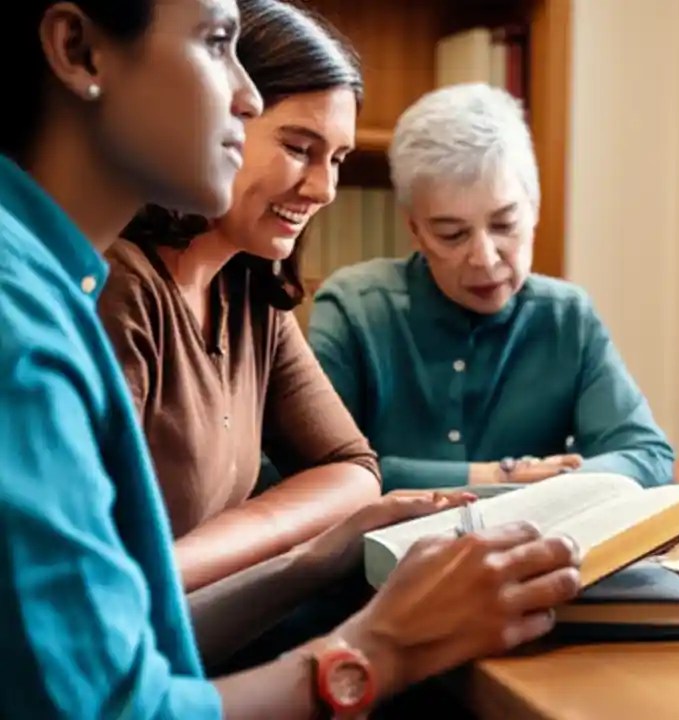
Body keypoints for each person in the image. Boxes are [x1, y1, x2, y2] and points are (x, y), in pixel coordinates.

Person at [0, 1, 579, 717]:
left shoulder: (170, 286)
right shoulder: (32, 321)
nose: (241, 99)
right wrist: (385, 647)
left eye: (336, 157)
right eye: (217, 44)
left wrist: (319, 559)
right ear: (79, 51)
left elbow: (138, 639)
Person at [97, 0, 392, 595]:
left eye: (337, 158)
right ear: (221, 116)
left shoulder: (250, 287)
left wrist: (236, 537)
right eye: (298, 147)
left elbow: (353, 469)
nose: (325, 188)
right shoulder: (120, 284)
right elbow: (106, 569)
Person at [308, 82, 674, 491]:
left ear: (534, 208)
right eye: (451, 234)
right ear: (415, 230)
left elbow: (648, 455)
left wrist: (556, 481)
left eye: (504, 224)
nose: (484, 257)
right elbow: (311, 470)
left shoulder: (566, 317)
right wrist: (500, 476)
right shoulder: (355, 309)